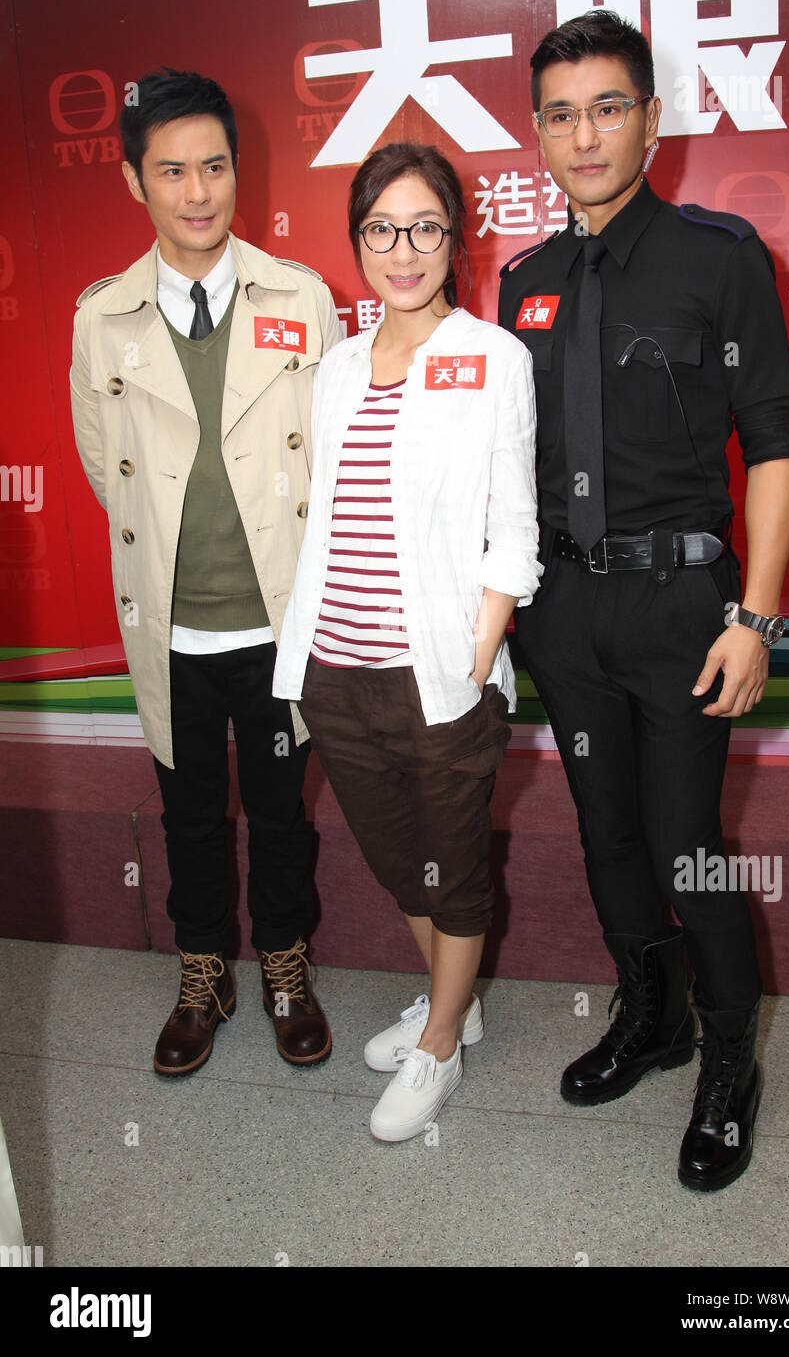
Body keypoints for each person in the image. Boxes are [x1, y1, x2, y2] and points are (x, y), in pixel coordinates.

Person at [498, 11, 789, 1190]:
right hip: (565, 615)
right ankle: (654, 1014)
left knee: (689, 852)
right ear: (536, 132)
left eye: (607, 107)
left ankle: (730, 1054)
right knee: (605, 834)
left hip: (685, 611)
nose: (584, 135)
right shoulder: (521, 280)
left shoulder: (719, 258)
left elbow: (772, 448)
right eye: (561, 113)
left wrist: (756, 618)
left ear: (650, 118)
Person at [70, 68, 341, 1077]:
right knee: (187, 814)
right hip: (174, 631)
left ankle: (282, 964)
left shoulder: (301, 297)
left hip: (274, 626)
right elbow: (111, 475)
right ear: (136, 181)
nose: (196, 193)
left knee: (278, 812)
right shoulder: (101, 320)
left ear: (239, 170)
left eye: (214, 167)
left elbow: (326, 454)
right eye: (170, 170)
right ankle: (202, 971)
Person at [273, 142, 542, 1142]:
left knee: (454, 867)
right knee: (398, 864)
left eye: (424, 226)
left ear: (452, 239)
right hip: (334, 670)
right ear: (355, 242)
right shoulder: (335, 367)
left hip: (439, 678)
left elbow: (513, 528)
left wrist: (475, 653)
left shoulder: (493, 357)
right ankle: (453, 1002)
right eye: (381, 228)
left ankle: (438, 1046)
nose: (403, 248)